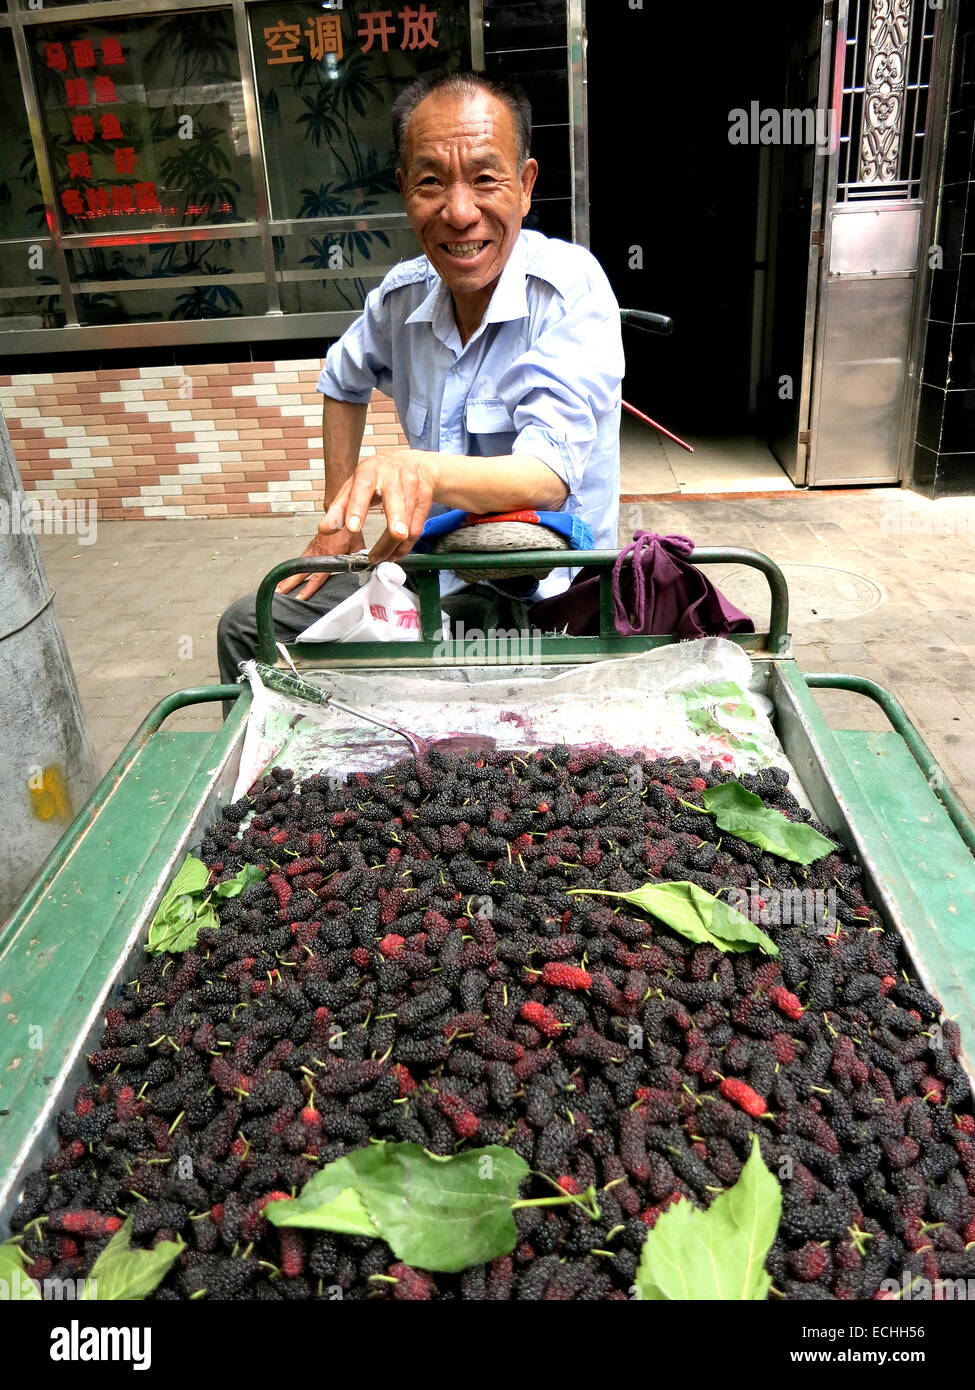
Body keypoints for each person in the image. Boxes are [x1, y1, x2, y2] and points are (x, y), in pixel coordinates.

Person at [217, 69, 624, 685]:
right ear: (405, 190)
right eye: (432, 182)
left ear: (526, 184)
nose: (461, 213)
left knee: (433, 692)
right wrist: (341, 522)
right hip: (431, 577)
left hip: (548, 602)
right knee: (249, 628)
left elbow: (547, 478)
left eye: (486, 178)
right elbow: (341, 378)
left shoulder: (570, 292)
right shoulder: (401, 300)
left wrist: (416, 469)